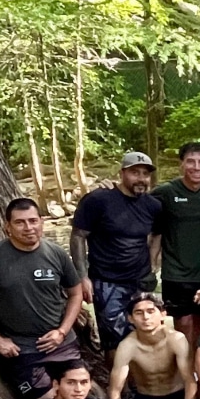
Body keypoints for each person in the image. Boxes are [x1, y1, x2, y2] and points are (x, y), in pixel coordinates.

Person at [0, 197, 85, 399]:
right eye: (20, 222)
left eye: (33, 221)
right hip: (23, 350)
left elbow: (76, 294)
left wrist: (62, 331)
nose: (28, 228)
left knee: (85, 393)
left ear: (41, 221)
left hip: (61, 343)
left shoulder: (56, 253)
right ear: (7, 226)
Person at [71, 150, 161, 350]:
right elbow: (78, 236)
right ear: (122, 173)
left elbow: (157, 234)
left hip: (140, 282)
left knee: (144, 334)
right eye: (134, 172)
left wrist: (153, 264)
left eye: (145, 174)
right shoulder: (98, 200)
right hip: (106, 282)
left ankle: (141, 380)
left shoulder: (152, 205)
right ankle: (119, 381)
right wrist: (82, 277)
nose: (141, 178)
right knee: (114, 340)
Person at [152, 142, 200, 352]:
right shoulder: (165, 192)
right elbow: (136, 207)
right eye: (191, 161)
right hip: (175, 274)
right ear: (181, 164)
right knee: (183, 326)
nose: (196, 167)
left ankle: (198, 372)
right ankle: (184, 373)